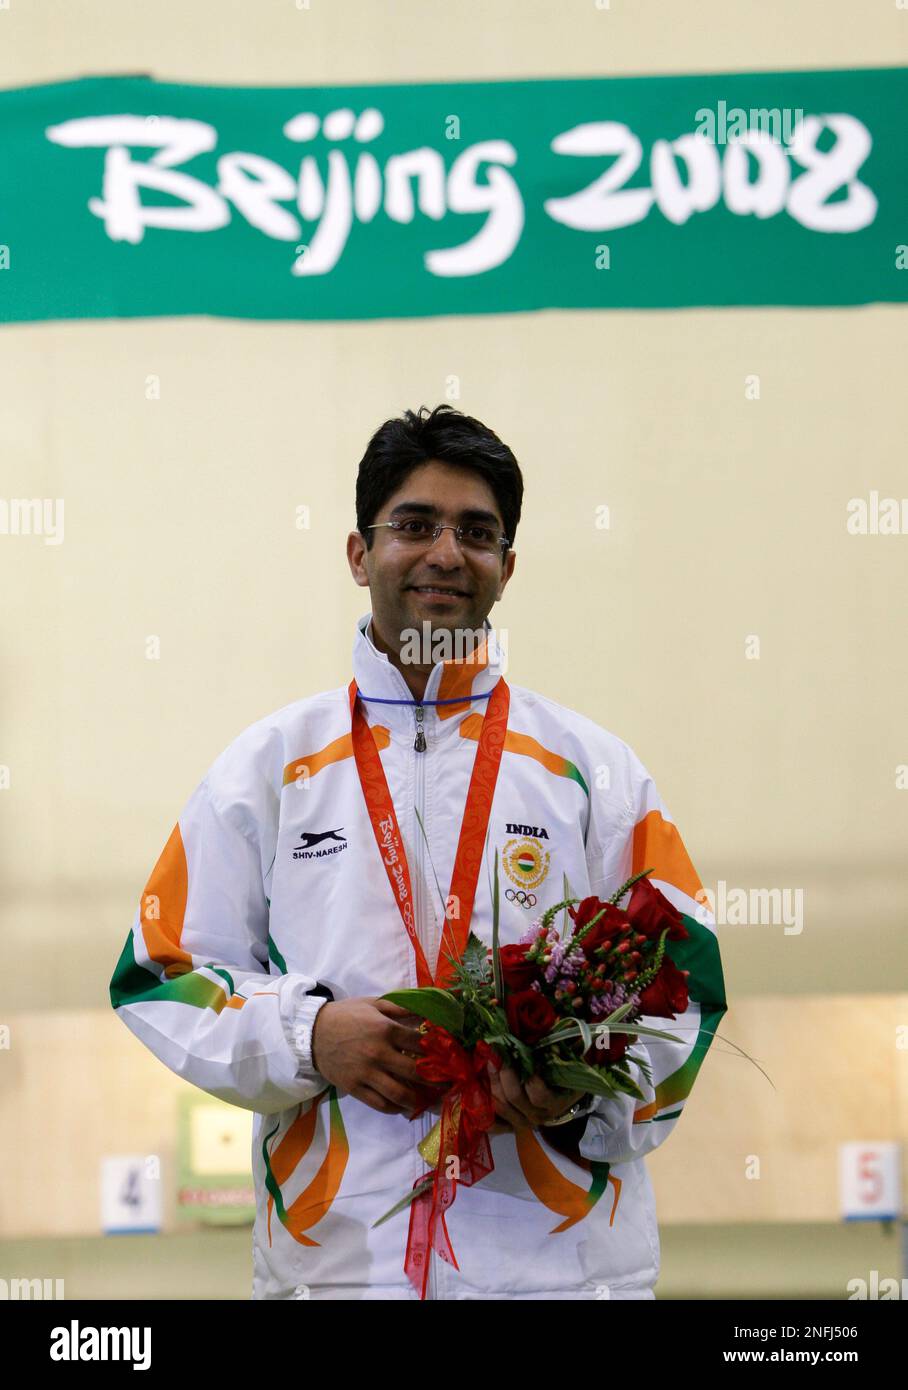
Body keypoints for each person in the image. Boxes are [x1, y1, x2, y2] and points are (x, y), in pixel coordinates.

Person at [109, 403, 726, 1300]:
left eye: (477, 533)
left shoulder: (594, 772)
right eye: (414, 524)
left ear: (507, 568)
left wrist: (582, 1089)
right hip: (338, 1273)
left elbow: (689, 989)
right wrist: (309, 1035)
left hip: (558, 1273)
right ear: (360, 554)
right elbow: (159, 973)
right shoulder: (269, 769)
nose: (445, 552)